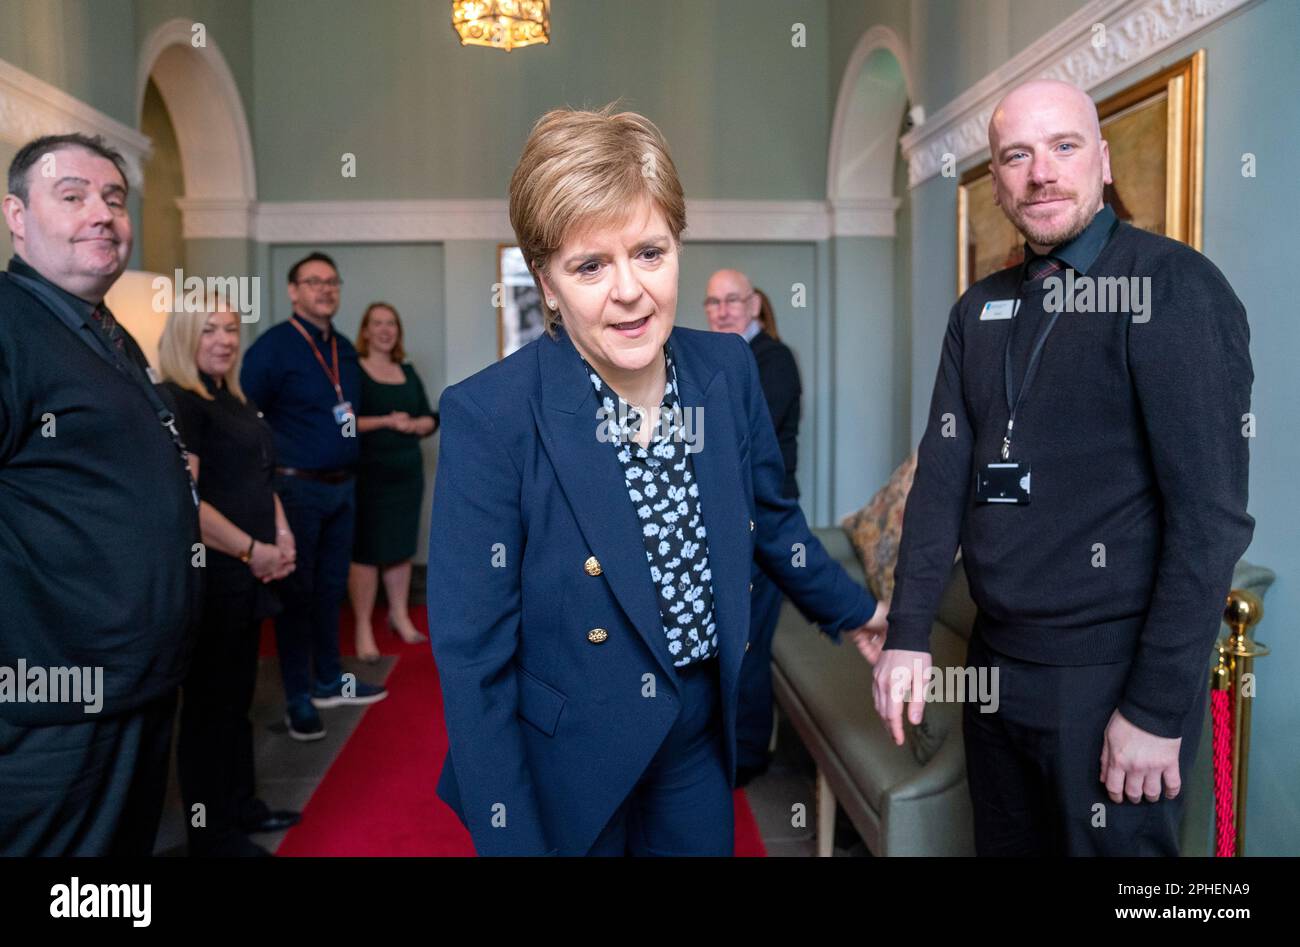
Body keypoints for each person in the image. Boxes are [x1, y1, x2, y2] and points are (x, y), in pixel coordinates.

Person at [427, 105, 888, 857]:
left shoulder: (728, 369)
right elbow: (473, 661)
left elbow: (772, 524)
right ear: (546, 282)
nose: (630, 291)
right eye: (589, 266)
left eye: (649, 252)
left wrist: (860, 611)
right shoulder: (491, 416)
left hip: (694, 732)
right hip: (568, 751)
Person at [875, 79, 1254, 856]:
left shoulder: (1172, 288)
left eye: (1063, 147)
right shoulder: (977, 310)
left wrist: (1153, 709)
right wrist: (910, 632)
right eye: (1016, 155)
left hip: (1110, 680)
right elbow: (942, 477)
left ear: (1103, 161)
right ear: (997, 179)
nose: (1040, 172)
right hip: (996, 668)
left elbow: (1208, 519)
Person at [0, 133, 201, 854]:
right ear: (16, 216)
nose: (103, 214)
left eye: (114, 199)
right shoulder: (8, 323)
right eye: (73, 195)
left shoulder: (105, 328)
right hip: (55, 702)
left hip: (134, 685)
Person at [159, 303, 304, 856]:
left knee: (236, 701)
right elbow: (187, 503)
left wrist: (282, 537)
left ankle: (242, 806)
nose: (223, 341)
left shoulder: (233, 399)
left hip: (249, 571)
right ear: (184, 338)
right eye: (209, 331)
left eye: (231, 331)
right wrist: (252, 552)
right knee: (207, 711)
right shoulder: (182, 402)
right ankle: (211, 833)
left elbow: (259, 480)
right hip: (215, 575)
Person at [241, 252, 387, 742]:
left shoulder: (344, 348)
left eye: (331, 282)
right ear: (293, 291)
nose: (325, 290)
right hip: (295, 488)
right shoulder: (273, 348)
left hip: (343, 486)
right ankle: (299, 697)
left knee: (330, 591)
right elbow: (247, 420)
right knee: (295, 597)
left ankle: (330, 681)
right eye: (313, 282)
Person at [704, 268, 804, 785]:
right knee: (730, 641)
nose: (722, 311)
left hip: (764, 524)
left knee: (750, 644)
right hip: (726, 525)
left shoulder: (772, 359)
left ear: (756, 305)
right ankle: (729, 746)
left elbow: (732, 434)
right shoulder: (719, 360)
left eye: (733, 301)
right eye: (713, 303)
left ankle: (746, 757)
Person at [350, 302, 439, 662]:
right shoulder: (353, 371)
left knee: (401, 548)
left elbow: (428, 415)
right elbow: (344, 423)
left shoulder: (407, 370)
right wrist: (387, 421)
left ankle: (399, 616)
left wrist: (419, 425)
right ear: (366, 331)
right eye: (378, 324)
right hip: (370, 476)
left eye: (392, 324)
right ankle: (362, 627)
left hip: (407, 475)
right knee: (367, 553)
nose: (386, 330)